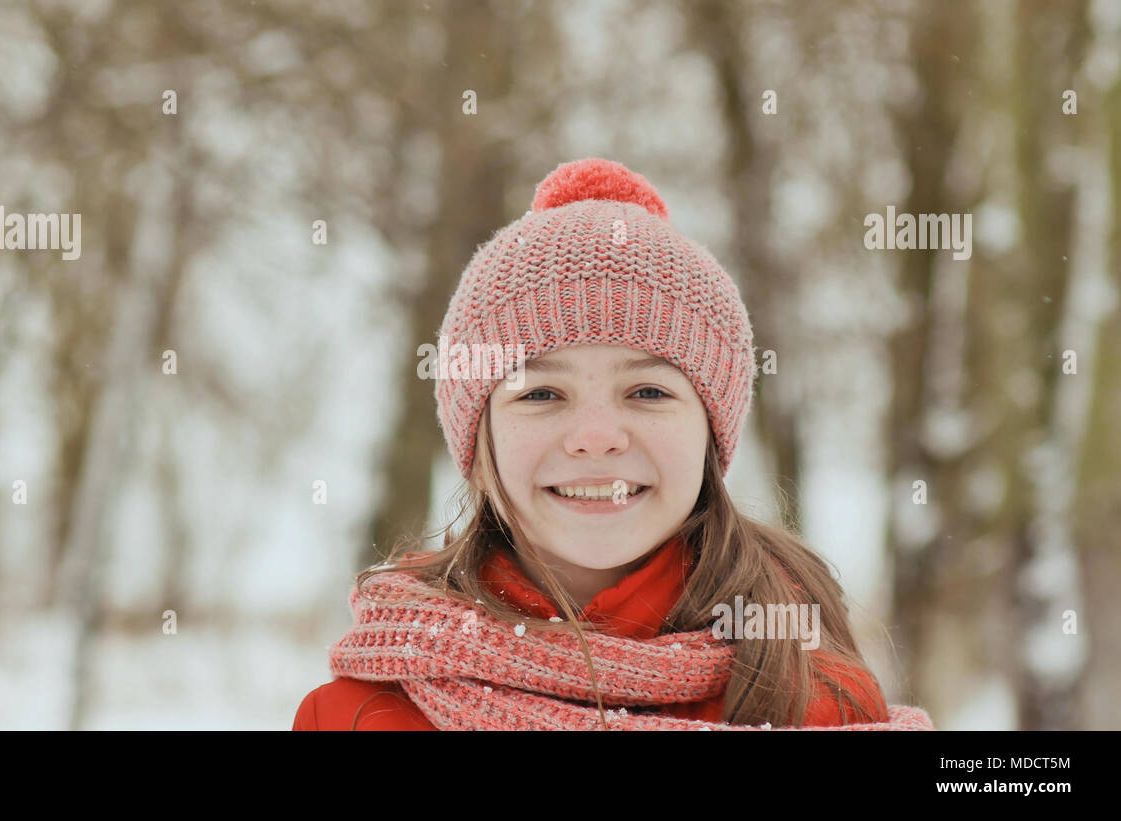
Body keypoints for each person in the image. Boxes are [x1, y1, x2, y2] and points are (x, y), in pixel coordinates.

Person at [293, 158, 933, 731]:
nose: (596, 438)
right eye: (541, 394)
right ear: (477, 440)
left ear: (710, 436)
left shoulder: (811, 697)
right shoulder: (356, 714)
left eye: (648, 393)